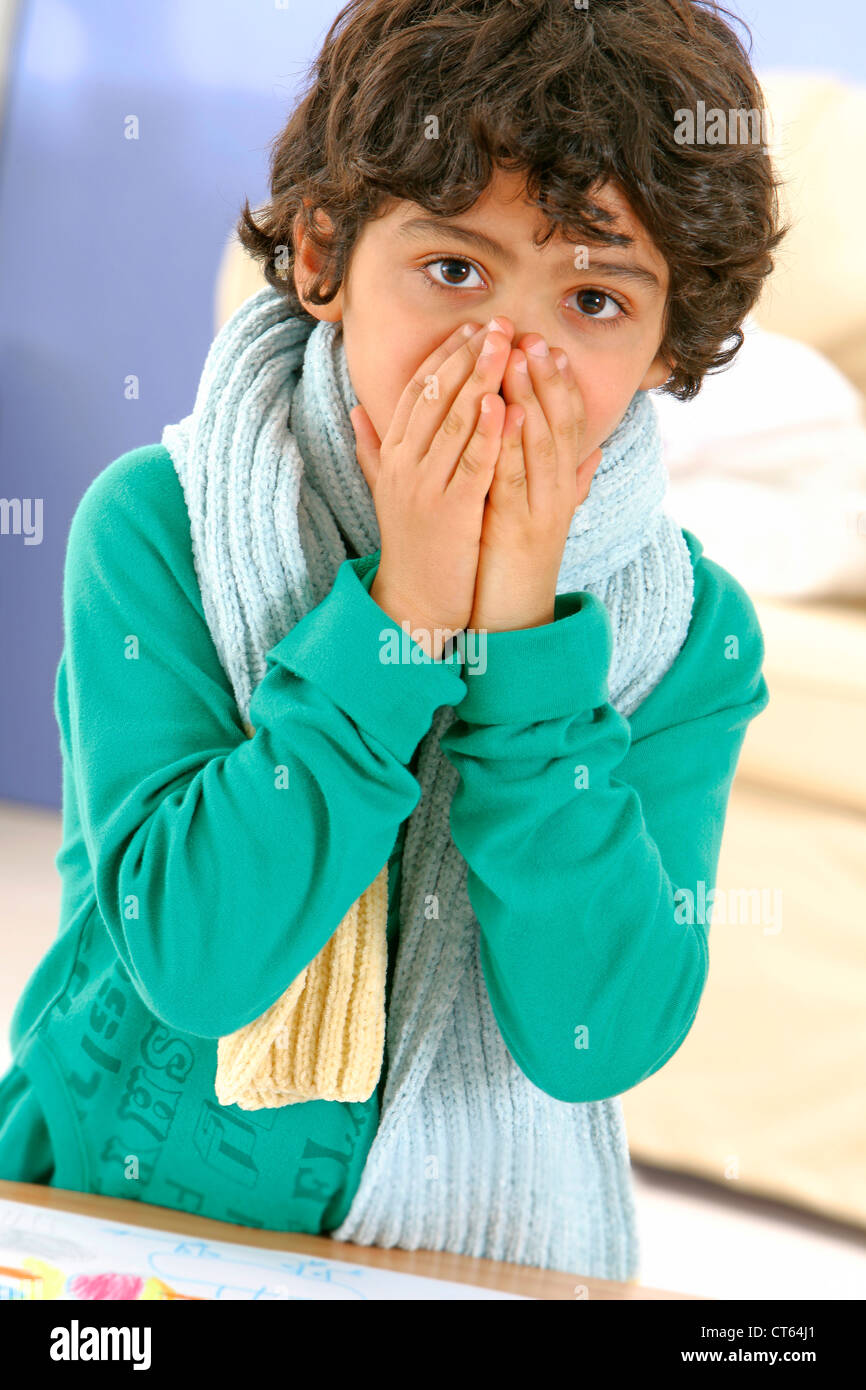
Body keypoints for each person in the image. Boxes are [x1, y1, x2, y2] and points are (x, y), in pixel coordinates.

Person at [0, 0, 779, 1282]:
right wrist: (402, 614)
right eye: (456, 271)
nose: (505, 361)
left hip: (469, 1253)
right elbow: (198, 967)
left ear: (663, 350)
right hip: (118, 1225)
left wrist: (522, 648)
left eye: (591, 297)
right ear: (323, 254)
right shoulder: (156, 530)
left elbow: (593, 1040)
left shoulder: (695, 640)